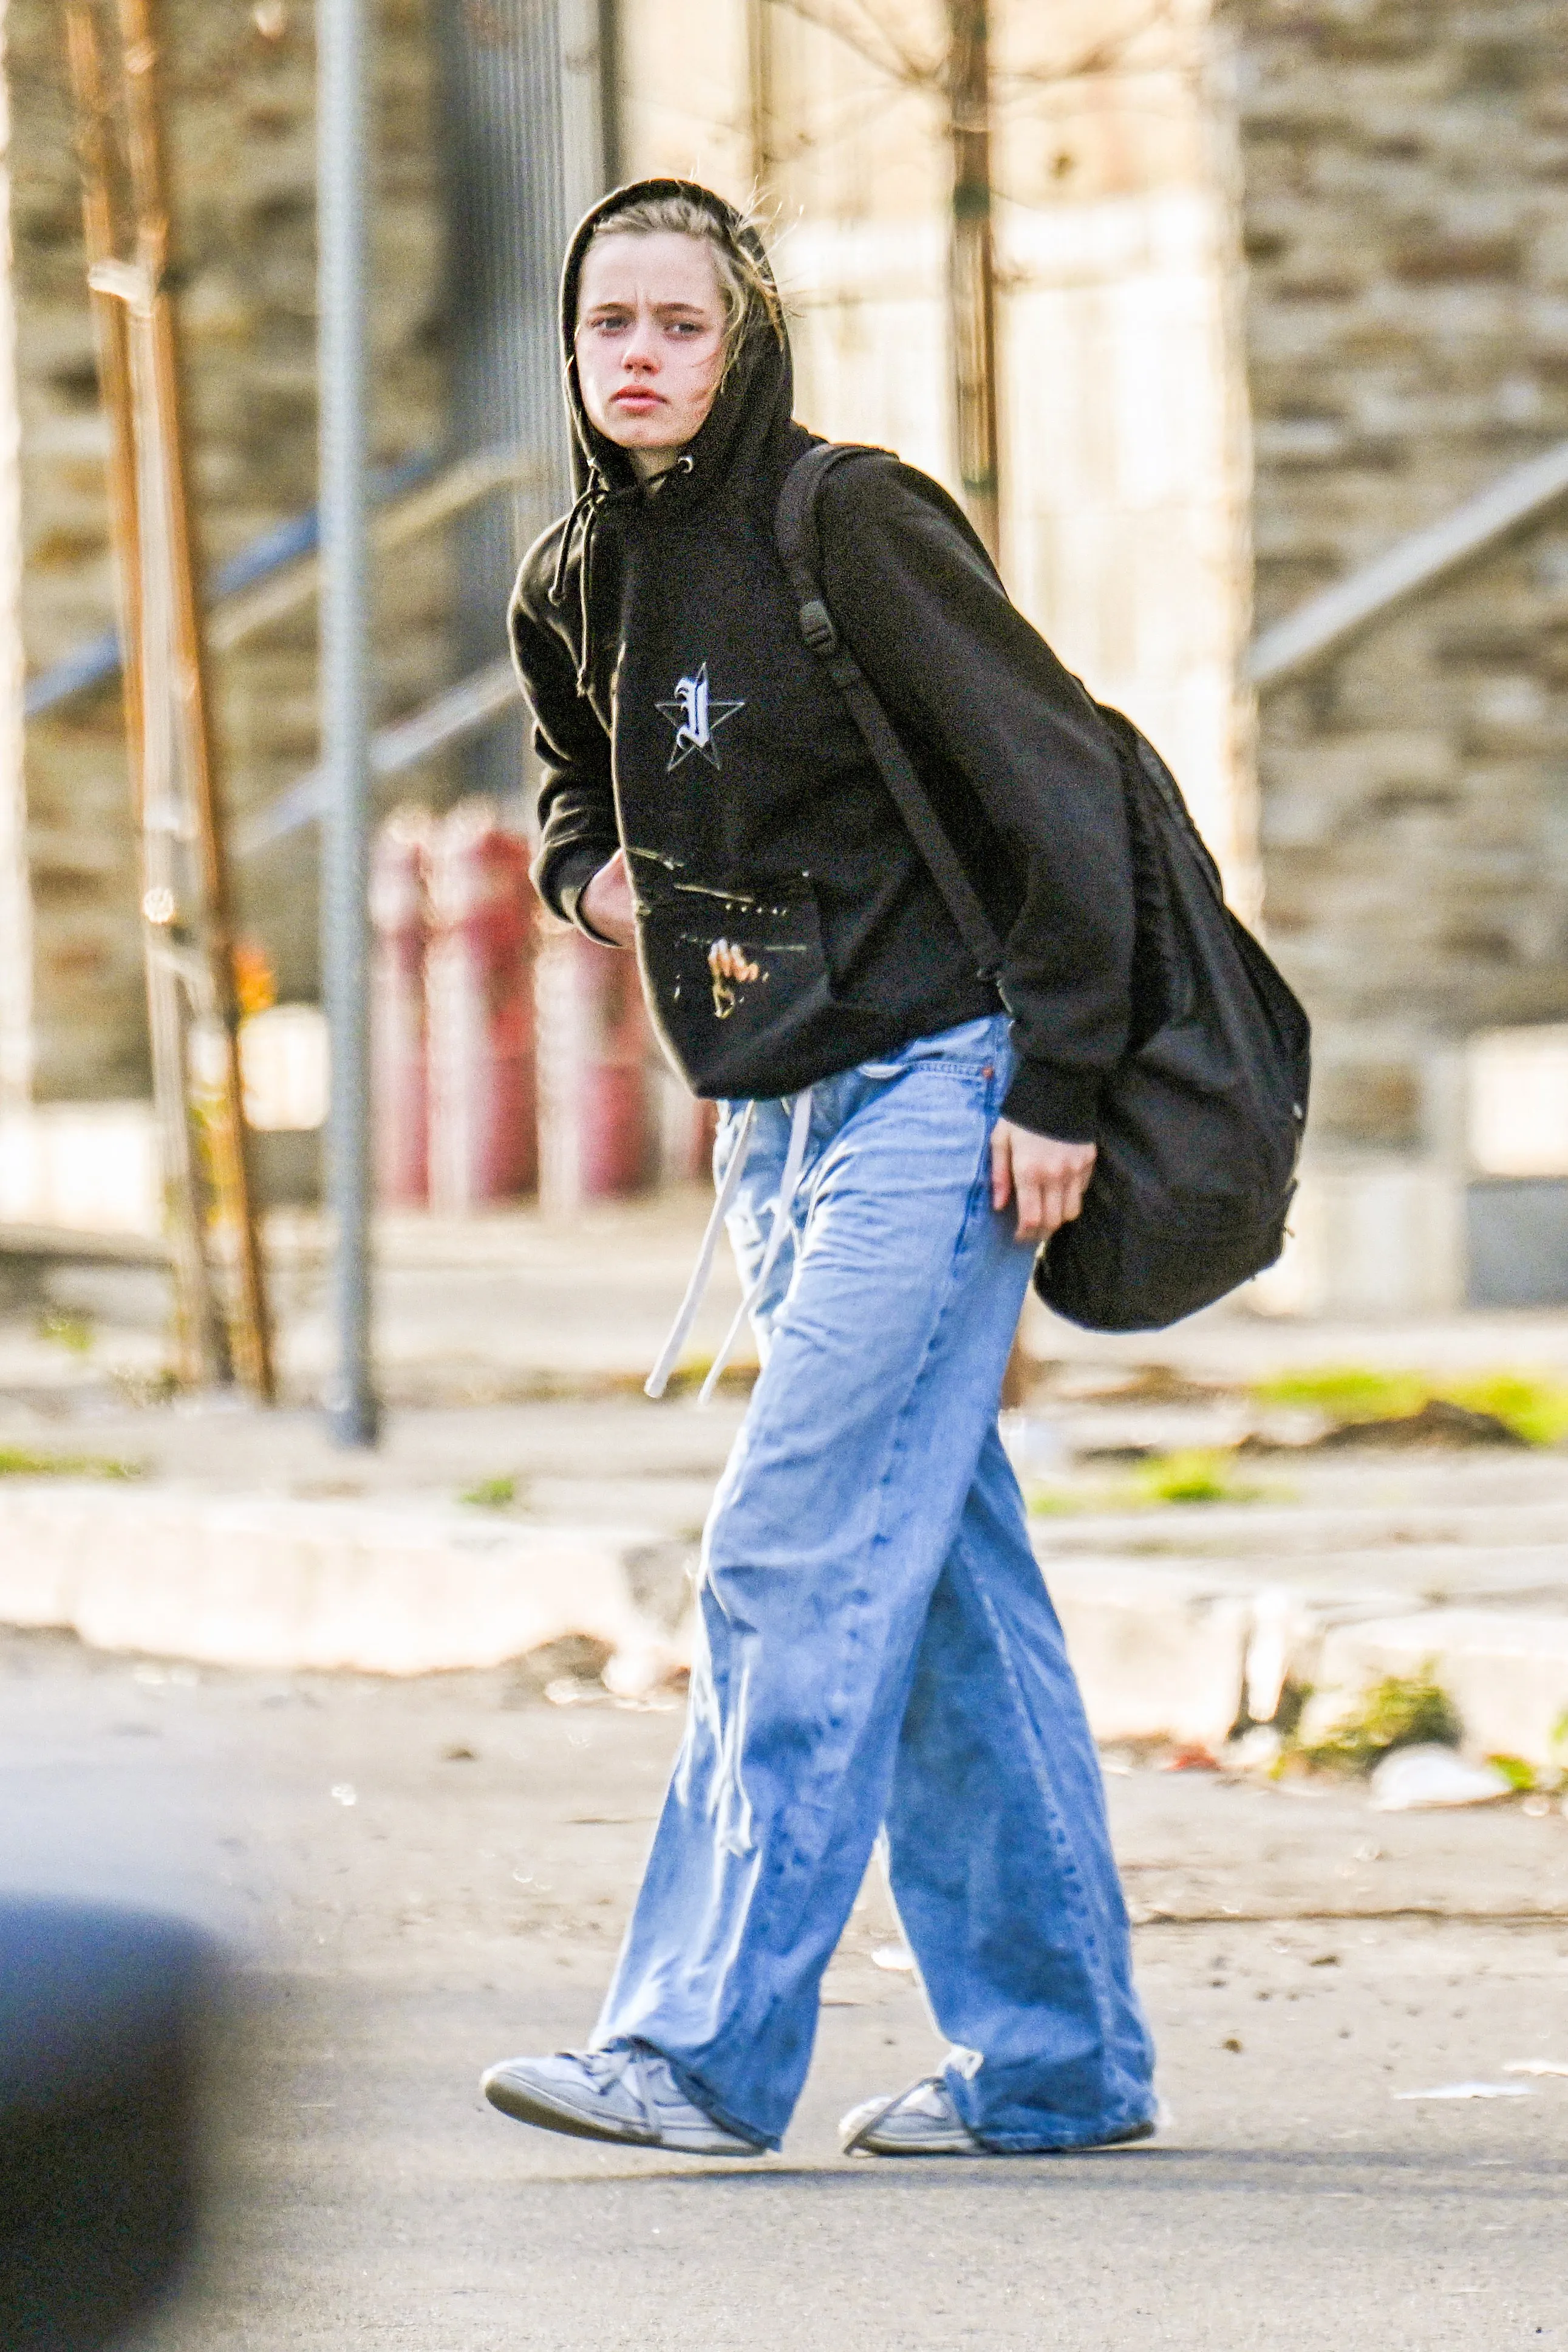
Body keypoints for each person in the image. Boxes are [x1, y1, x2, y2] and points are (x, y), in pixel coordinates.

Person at [481, 178, 1159, 2159]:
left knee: (786, 1551)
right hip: (770, 1132)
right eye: (610, 320)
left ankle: (694, 2051)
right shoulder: (574, 576)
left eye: (682, 324)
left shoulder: (846, 517)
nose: (639, 355)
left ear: (747, 335)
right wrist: (579, 871)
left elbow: (1053, 785)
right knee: (942, 1595)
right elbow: (565, 770)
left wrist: (1063, 1080)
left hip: (943, 1100)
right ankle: (1054, 2070)